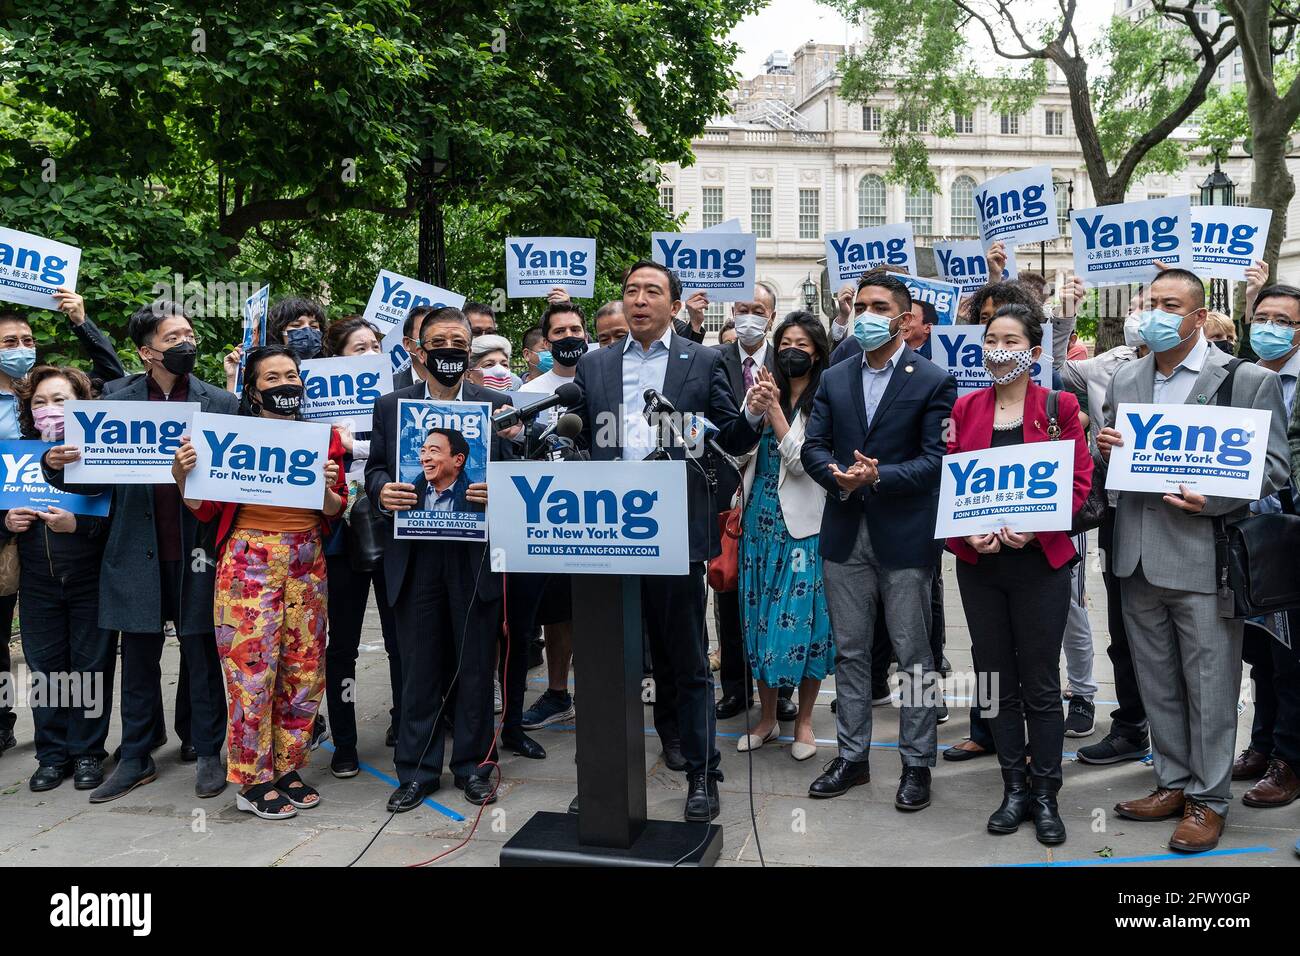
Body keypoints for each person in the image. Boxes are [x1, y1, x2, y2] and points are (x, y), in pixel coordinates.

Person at [568, 259, 770, 822]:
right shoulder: (596, 363)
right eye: (630, 291)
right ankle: (604, 775)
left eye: (651, 291)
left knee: (684, 655)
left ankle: (703, 772)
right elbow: (581, 433)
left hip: (674, 527)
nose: (638, 300)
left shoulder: (703, 361)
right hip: (606, 528)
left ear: (674, 304)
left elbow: (728, 434)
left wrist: (751, 416)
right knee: (610, 658)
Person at [1099, 267, 1289, 853]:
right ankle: (1173, 782)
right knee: (1157, 682)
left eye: (1170, 303)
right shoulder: (1127, 376)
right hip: (1135, 554)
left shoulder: (1247, 379)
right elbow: (1118, 460)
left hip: (1205, 558)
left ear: (1198, 316)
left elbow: (1274, 469)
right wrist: (1105, 448)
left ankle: (1208, 800)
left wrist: (1218, 499)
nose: (1155, 312)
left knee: (1210, 684)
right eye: (1150, 302)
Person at [44, 301, 235, 803]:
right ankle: (134, 756)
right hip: (133, 549)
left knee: (201, 650)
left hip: (198, 550)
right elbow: (87, 479)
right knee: (140, 657)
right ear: (146, 352)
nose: (187, 344)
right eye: (174, 338)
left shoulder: (220, 402)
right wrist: (56, 463)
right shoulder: (111, 399)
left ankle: (211, 752)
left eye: (190, 334)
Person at [801, 271, 955, 811]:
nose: (865, 314)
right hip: (845, 532)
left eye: (878, 306)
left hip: (905, 536)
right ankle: (852, 757)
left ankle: (917, 764)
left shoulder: (932, 379)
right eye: (860, 304)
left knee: (915, 656)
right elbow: (813, 446)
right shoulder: (836, 376)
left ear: (904, 318)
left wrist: (879, 476)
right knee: (850, 651)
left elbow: (936, 462)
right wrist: (835, 475)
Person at [172, 345, 346, 818]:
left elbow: (335, 510)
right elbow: (203, 509)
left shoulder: (322, 438)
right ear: (252, 389)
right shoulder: (229, 436)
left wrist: (329, 486)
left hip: (306, 559)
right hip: (248, 560)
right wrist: (181, 475)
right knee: (252, 672)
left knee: (304, 668)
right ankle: (252, 779)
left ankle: (289, 766)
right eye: (273, 378)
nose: (285, 384)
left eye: (292, 375)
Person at [946, 304, 1093, 845]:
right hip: (981, 567)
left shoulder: (1060, 405)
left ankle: (1045, 794)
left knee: (1039, 683)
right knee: (994, 681)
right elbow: (955, 486)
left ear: (1033, 352)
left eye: (1009, 340)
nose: (996, 349)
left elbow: (1078, 485)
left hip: (1039, 566)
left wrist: (1035, 527)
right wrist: (967, 536)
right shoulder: (966, 408)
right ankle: (1012, 788)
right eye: (989, 340)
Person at [367, 306, 515, 811]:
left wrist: (495, 488)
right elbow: (375, 469)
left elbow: (516, 476)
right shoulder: (391, 406)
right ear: (417, 349)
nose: (450, 349)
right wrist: (383, 490)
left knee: (476, 665)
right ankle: (417, 770)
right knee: (419, 666)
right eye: (440, 341)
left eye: (460, 341)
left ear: (470, 349)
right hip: (414, 556)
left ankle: (476, 767)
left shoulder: (496, 405)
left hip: (474, 557)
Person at [0, 295, 124, 757]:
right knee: (47, 669)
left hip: (90, 581)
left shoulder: (107, 456)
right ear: (29, 410)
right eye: (41, 402)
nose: (49, 408)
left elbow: (117, 522)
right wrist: (7, 522)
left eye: (60, 400)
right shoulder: (17, 455)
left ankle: (90, 753)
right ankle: (52, 755)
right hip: (36, 583)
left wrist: (81, 527)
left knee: (90, 669)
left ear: (82, 404)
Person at [735, 312, 834, 760]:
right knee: (759, 624)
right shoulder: (764, 389)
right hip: (759, 524)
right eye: (786, 341)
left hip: (804, 530)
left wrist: (775, 411)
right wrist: (753, 409)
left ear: (817, 352)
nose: (793, 349)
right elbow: (737, 449)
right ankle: (768, 718)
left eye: (803, 342)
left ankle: (807, 723)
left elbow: (800, 462)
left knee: (803, 625)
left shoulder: (825, 399)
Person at [318, 316, 402, 775]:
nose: (371, 353)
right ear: (336, 357)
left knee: (399, 639)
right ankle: (345, 740)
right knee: (342, 645)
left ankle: (404, 722)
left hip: (389, 530)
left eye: (375, 345)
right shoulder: (315, 403)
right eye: (359, 347)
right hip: (337, 538)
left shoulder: (395, 401)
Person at [710, 282, 796, 723]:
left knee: (777, 593)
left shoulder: (786, 361)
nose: (748, 315)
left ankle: (778, 689)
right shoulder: (715, 359)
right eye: (742, 308)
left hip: (777, 488)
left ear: (771, 314)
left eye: (757, 309)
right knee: (730, 590)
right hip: (725, 487)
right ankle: (735, 687)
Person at [1231, 283, 1300, 809]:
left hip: (1292, 532)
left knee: (1293, 659)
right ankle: (1261, 744)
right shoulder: (1244, 376)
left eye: (1284, 321)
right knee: (1262, 652)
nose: (1270, 327)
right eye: (1263, 316)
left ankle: (1289, 762)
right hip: (1251, 536)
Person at [515, 301, 588, 734]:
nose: (568, 337)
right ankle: (558, 693)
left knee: (597, 609)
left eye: (575, 329)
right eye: (558, 332)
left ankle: (602, 690)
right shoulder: (527, 392)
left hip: (601, 513)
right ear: (546, 342)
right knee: (557, 612)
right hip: (547, 514)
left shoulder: (601, 378)